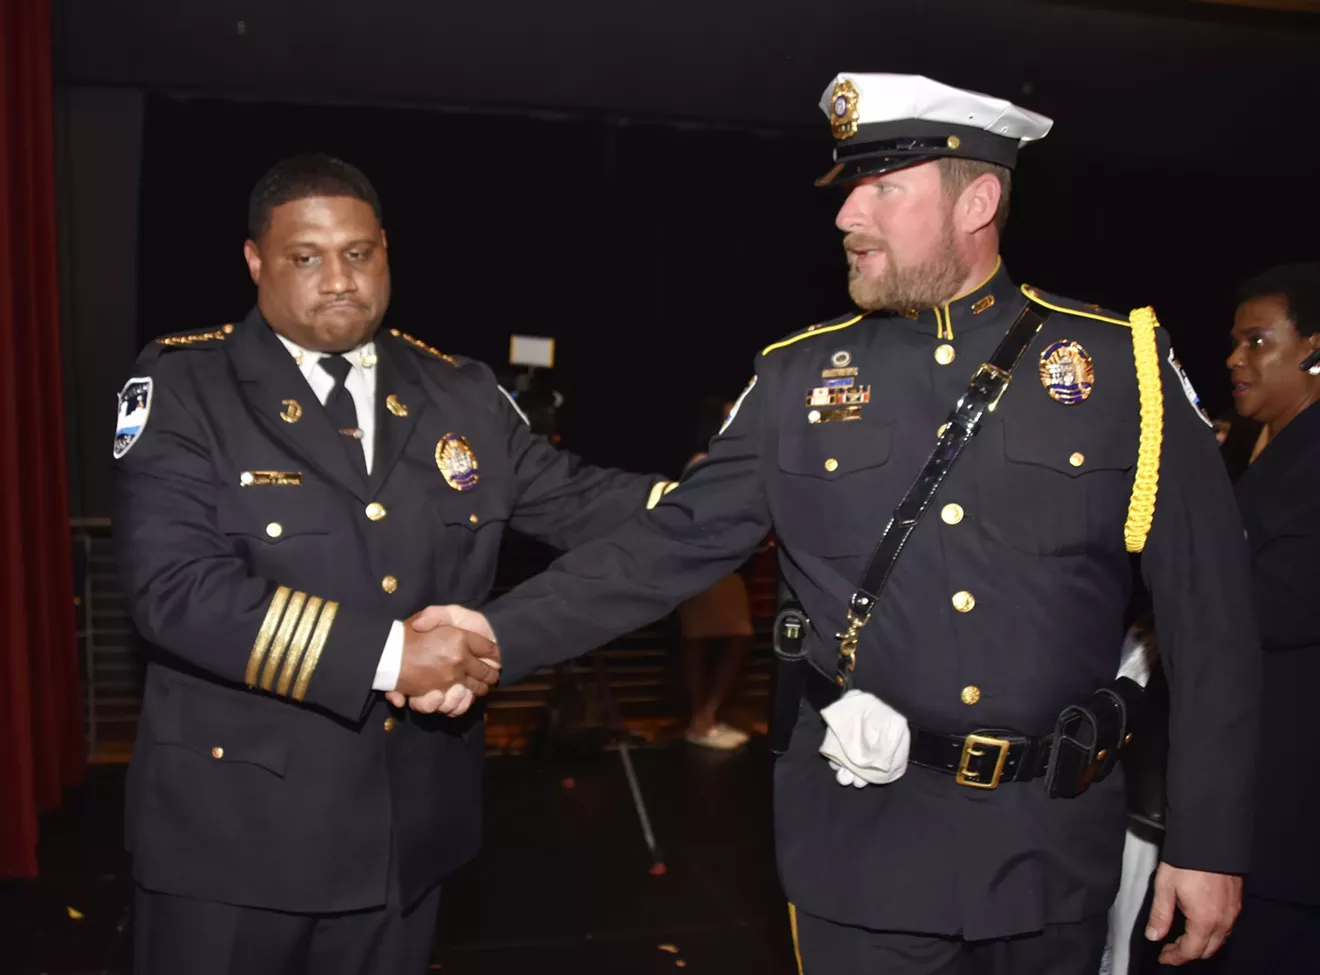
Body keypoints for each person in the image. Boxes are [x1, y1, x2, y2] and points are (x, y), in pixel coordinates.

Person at [409, 74, 1261, 973]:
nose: (848, 212)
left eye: (884, 187)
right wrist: (492, 636)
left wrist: (1208, 841)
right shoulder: (796, 379)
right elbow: (671, 543)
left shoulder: (1117, 366)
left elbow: (1213, 619)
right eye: (849, 187)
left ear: (978, 199)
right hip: (864, 846)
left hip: (1051, 848)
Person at [112, 153, 674, 975]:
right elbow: (175, 592)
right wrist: (389, 655)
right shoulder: (185, 385)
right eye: (306, 257)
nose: (338, 279)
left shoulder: (458, 391)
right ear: (256, 260)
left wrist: (722, 496)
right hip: (235, 842)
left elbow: (581, 498)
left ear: (385, 251)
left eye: (359, 253)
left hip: (405, 835)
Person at [1215, 262, 1320, 974]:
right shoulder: (1259, 450)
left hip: (1289, 818)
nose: (1234, 358)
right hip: (1250, 808)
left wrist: (1183, 567)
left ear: (1315, 347)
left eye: (1257, 341)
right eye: (1235, 341)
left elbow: (1281, 605)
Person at [677, 396, 754, 749]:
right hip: (702, 561)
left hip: (728, 562)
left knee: (730, 638)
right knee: (703, 639)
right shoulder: (702, 462)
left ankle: (707, 717)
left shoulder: (733, 460)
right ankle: (700, 721)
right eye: (727, 416)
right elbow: (693, 513)